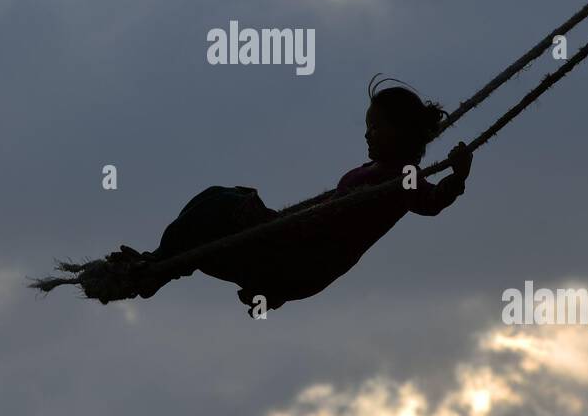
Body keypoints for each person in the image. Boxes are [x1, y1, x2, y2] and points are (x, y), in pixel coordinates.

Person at [132, 75, 472, 311]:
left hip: (300, 259)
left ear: (401, 132)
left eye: (376, 127)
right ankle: (160, 263)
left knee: (219, 208)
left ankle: (157, 269)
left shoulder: (403, 176)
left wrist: (457, 175)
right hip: (294, 247)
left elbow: (430, 201)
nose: (367, 135)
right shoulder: (376, 171)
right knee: (216, 201)